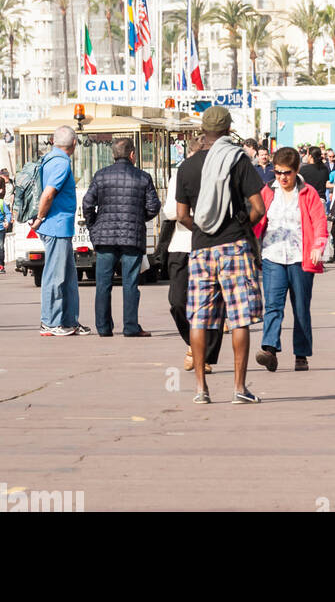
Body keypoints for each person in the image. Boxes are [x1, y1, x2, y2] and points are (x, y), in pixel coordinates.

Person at [174, 105, 266, 405]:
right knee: (239, 320)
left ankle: (201, 389)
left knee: (199, 320)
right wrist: (240, 228)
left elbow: (181, 215)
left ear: (203, 132)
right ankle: (239, 388)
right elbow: (259, 207)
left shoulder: (186, 167)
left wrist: (203, 229)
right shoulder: (237, 159)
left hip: (201, 250)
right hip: (234, 248)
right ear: (228, 129)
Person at [254, 147, 328, 372]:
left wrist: (318, 246)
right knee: (273, 305)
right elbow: (257, 219)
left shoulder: (308, 192)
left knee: (301, 307)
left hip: (300, 257)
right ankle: (269, 349)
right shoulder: (268, 192)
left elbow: (319, 222)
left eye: (286, 172)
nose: (282, 177)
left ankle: (301, 354)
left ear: (296, 170)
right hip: (272, 256)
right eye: (277, 172)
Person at [82, 136, 162, 338]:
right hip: (131, 237)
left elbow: (87, 204)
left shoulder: (101, 176)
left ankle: (103, 328)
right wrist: (137, 218)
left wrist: (94, 226)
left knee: (103, 284)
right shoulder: (143, 177)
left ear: (113, 155)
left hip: (105, 238)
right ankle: (130, 327)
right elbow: (154, 206)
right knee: (130, 283)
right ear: (132, 154)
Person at [165, 134, 223, 372]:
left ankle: (206, 356)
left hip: (210, 245)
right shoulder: (180, 174)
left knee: (213, 302)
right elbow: (171, 211)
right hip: (182, 245)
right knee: (177, 301)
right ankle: (193, 342)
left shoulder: (218, 176)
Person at [35, 127, 90, 335]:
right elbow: (48, 194)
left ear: (52, 141)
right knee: (55, 276)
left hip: (60, 226)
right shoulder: (61, 163)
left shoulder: (49, 160)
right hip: (56, 225)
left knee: (68, 277)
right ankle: (50, 322)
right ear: (74, 143)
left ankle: (69, 321)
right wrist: (40, 218)